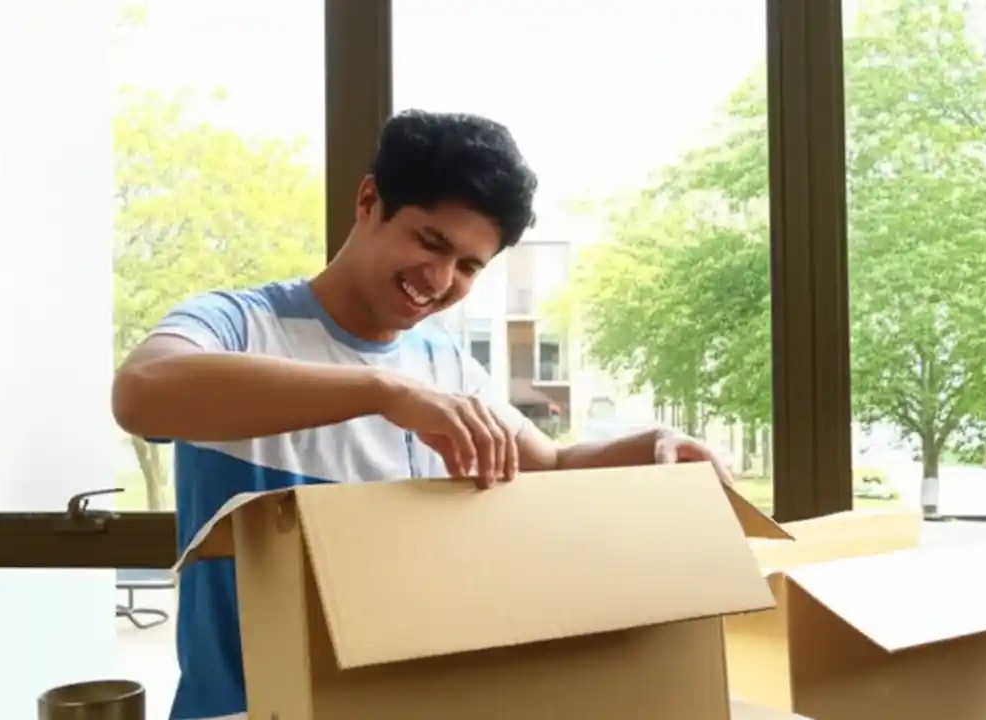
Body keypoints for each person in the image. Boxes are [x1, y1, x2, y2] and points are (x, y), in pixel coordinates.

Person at [111, 109, 734, 720]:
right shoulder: (241, 325)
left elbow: (552, 464)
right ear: (368, 200)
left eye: (468, 267)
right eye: (430, 242)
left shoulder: (448, 366)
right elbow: (140, 394)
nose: (438, 280)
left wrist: (656, 444)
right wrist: (382, 391)